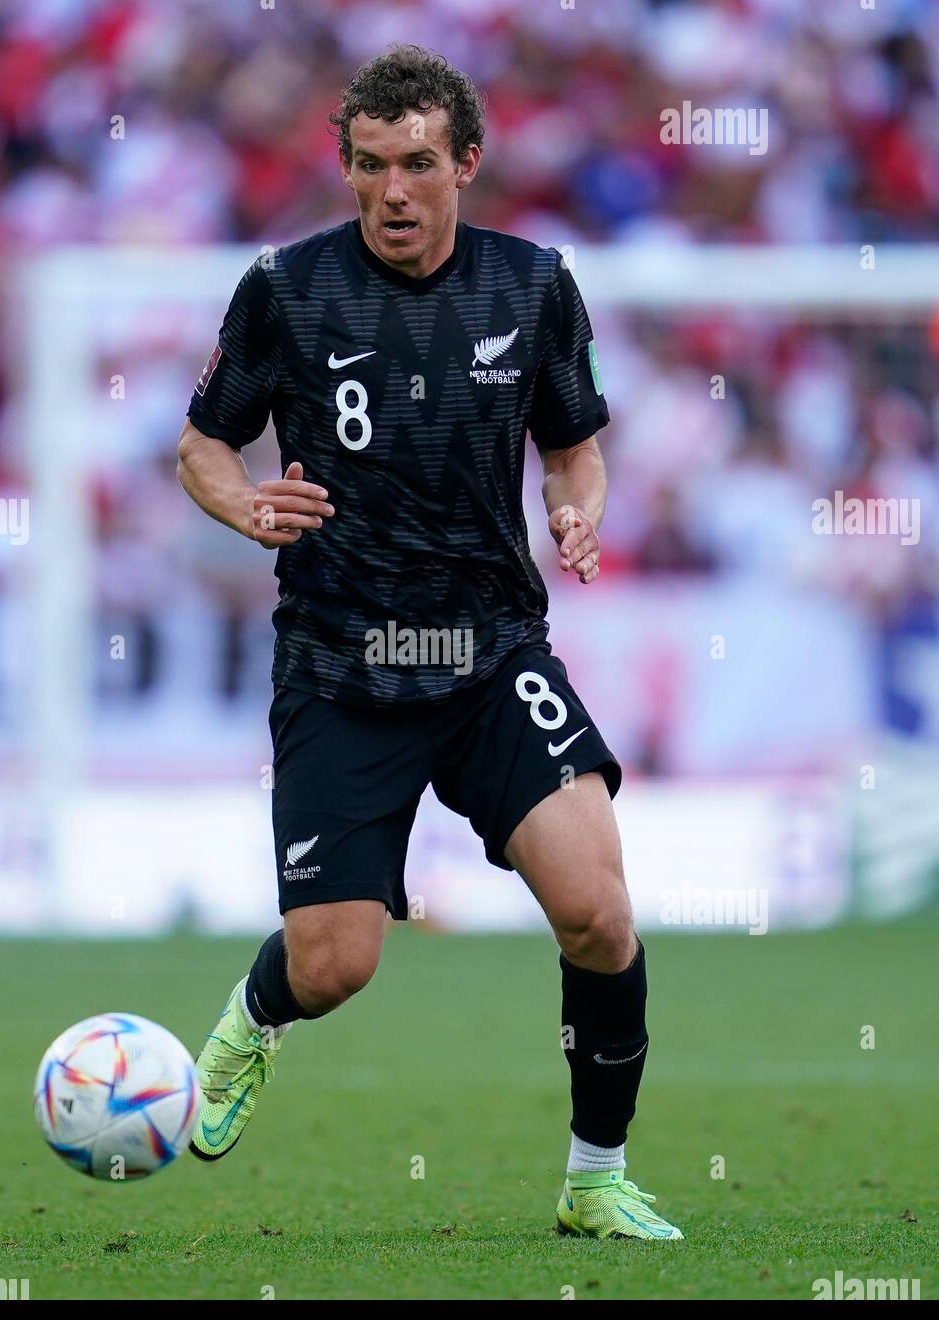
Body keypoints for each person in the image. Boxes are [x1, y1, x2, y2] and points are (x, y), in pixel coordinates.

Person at [176, 43, 681, 1241]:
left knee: (599, 913)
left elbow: (573, 442)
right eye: (366, 165)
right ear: (343, 167)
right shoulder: (286, 289)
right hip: (341, 664)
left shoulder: (534, 284)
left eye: (414, 164)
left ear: (464, 163)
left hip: (492, 651)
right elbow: (200, 443)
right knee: (336, 963)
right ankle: (254, 1019)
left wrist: (575, 507)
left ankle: (593, 1178)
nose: (390, 191)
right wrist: (244, 503)